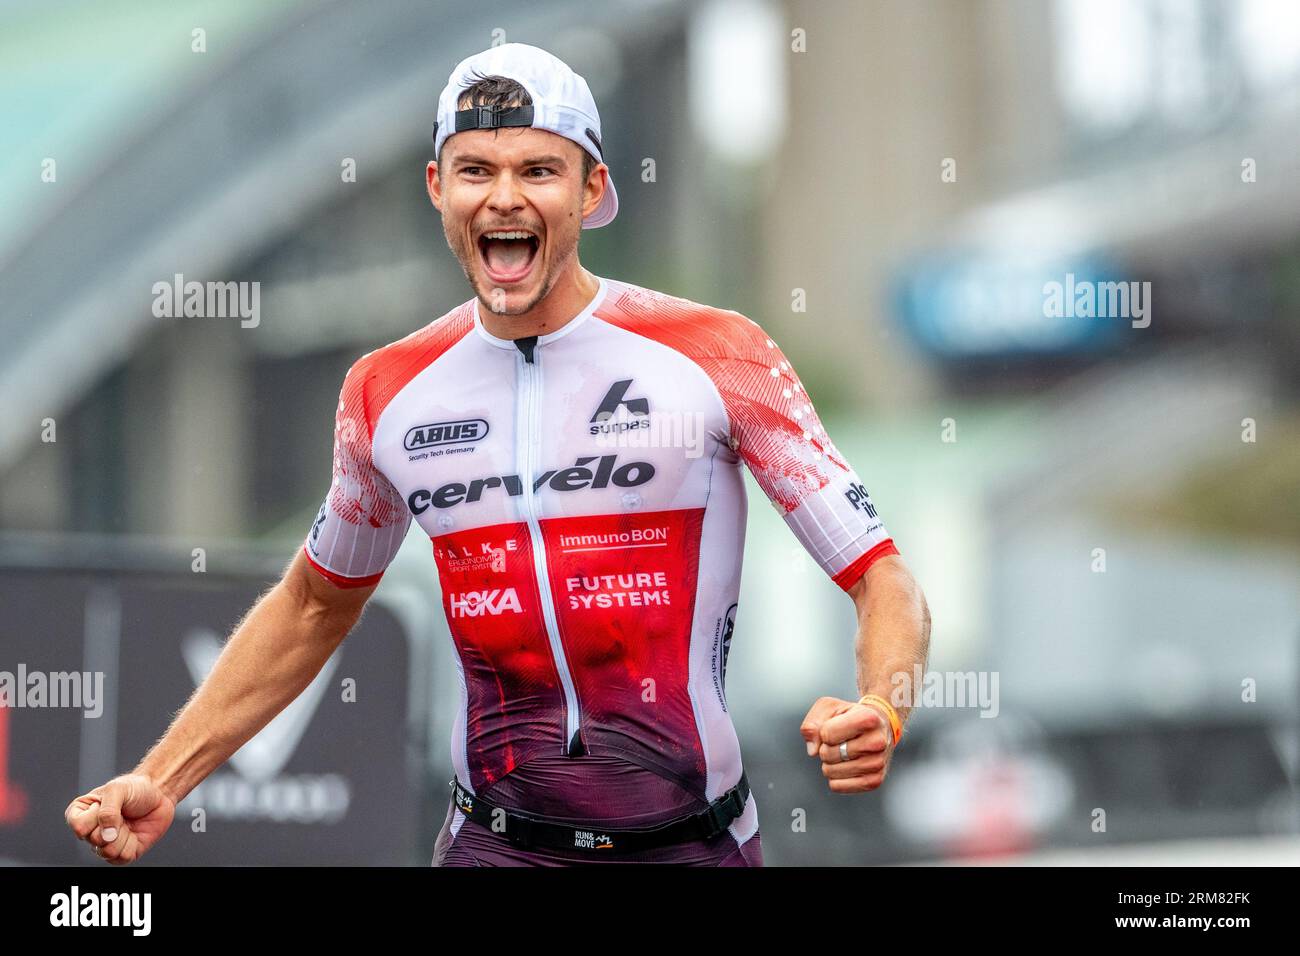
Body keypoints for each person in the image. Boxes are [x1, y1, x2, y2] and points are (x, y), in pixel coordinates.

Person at [64, 43, 930, 867]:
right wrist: (164, 775)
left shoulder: (716, 353)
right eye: (476, 170)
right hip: (495, 846)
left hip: (691, 844)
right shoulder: (386, 390)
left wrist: (882, 708)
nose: (504, 198)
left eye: (538, 171)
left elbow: (880, 578)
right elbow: (311, 605)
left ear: (592, 189)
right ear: (438, 189)